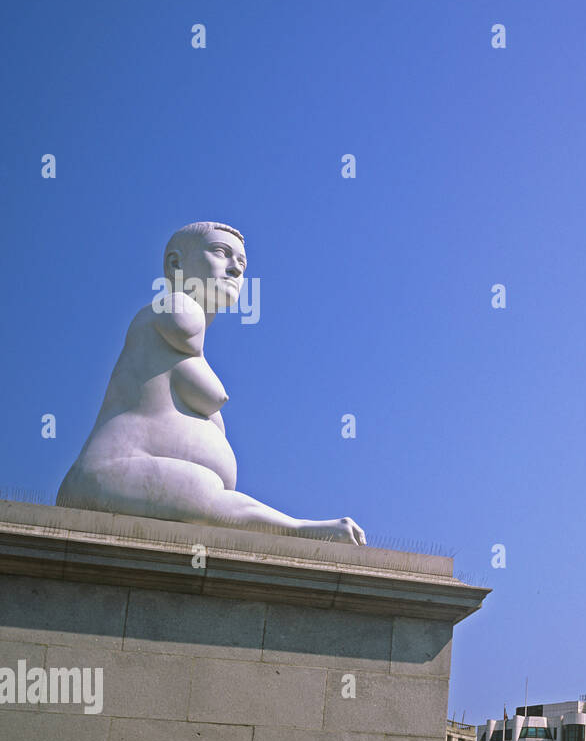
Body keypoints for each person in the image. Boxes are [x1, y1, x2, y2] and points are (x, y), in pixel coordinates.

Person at [57, 222, 365, 544]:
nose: (234, 269)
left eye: (242, 265)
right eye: (221, 253)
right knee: (203, 489)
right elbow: (180, 318)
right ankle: (300, 530)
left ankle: (300, 529)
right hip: (109, 476)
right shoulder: (172, 310)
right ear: (176, 264)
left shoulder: (185, 345)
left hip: (161, 490)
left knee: (206, 489)